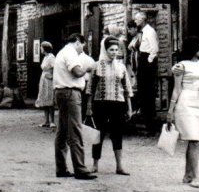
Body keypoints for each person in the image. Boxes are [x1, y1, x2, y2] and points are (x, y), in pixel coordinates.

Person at [52, 33, 97, 180]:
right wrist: (88, 68)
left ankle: (61, 168)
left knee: (63, 131)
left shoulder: (61, 52)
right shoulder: (70, 52)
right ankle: (80, 168)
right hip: (71, 92)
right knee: (75, 130)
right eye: (82, 46)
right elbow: (77, 72)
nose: (81, 50)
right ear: (78, 42)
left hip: (61, 91)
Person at [88, 37, 134, 175]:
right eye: (111, 50)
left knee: (117, 134)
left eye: (116, 50)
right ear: (105, 50)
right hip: (100, 103)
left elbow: (127, 89)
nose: (114, 52)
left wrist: (129, 108)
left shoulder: (121, 67)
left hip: (118, 104)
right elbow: (91, 87)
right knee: (98, 134)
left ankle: (119, 166)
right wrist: (89, 106)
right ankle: (95, 165)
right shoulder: (97, 66)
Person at [167, 37, 199, 188]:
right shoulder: (181, 65)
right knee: (193, 139)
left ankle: (187, 174)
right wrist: (170, 111)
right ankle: (196, 177)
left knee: (194, 140)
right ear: (192, 48)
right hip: (185, 102)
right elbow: (176, 89)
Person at [134, 11, 159, 133]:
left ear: (143, 19)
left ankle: (151, 126)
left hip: (147, 61)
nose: (135, 21)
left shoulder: (150, 31)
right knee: (143, 92)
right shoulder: (143, 32)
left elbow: (154, 49)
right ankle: (147, 122)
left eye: (137, 19)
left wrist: (148, 62)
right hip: (143, 60)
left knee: (148, 93)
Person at [34, 41, 56, 128]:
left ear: (45, 48)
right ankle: (46, 121)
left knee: (50, 99)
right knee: (44, 99)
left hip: (49, 81)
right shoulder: (45, 57)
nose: (40, 49)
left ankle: (52, 121)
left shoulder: (51, 57)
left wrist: (51, 76)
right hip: (44, 80)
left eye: (41, 47)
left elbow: (56, 68)